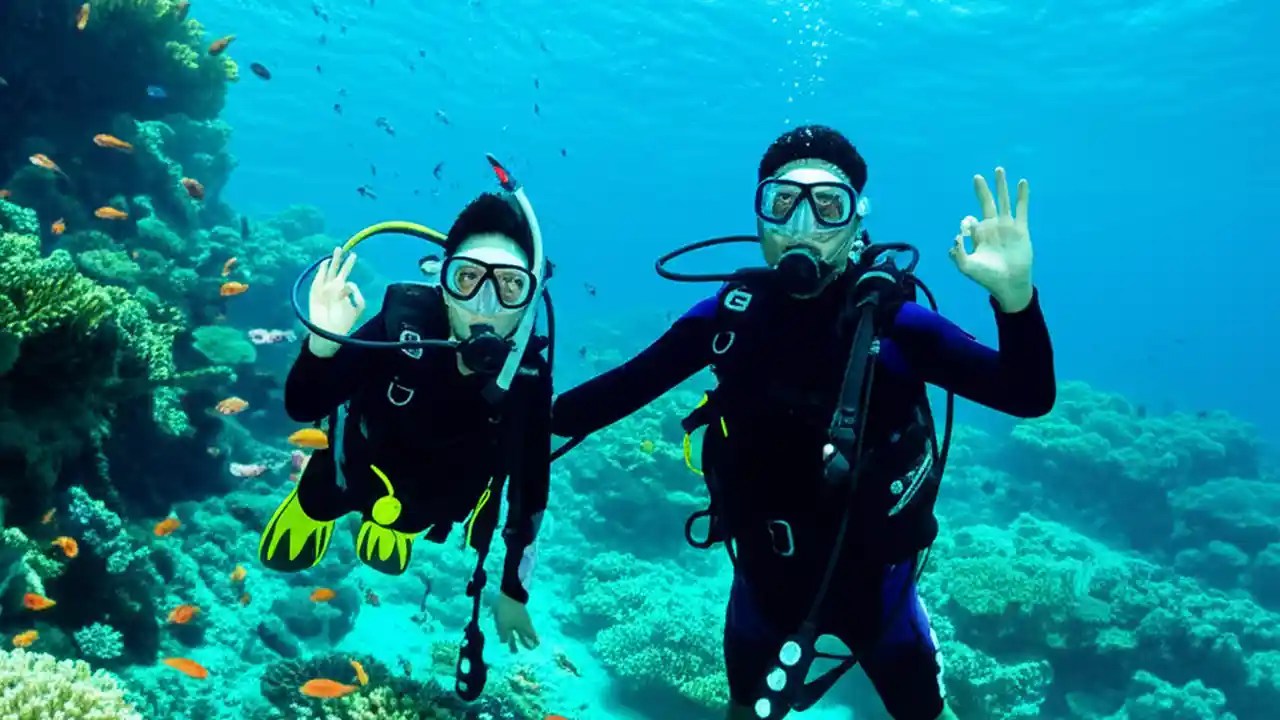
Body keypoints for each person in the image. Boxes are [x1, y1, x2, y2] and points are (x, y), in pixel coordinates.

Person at [549, 125, 1056, 720]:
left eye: (829, 206)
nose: (802, 226)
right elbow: (601, 401)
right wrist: (501, 393)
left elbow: (1027, 395)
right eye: (783, 202)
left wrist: (1015, 300)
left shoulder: (896, 325)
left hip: (879, 589)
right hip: (764, 583)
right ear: (760, 217)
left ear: (856, 222)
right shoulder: (728, 318)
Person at [260, 181, 551, 700]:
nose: (485, 303)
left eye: (509, 286)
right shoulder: (401, 325)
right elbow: (304, 407)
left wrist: (512, 585)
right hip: (352, 468)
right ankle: (309, 508)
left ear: (529, 296)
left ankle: (390, 527)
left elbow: (531, 481)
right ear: (441, 282)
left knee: (409, 522)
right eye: (467, 278)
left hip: (430, 504)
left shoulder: (526, 374)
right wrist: (323, 343)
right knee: (322, 497)